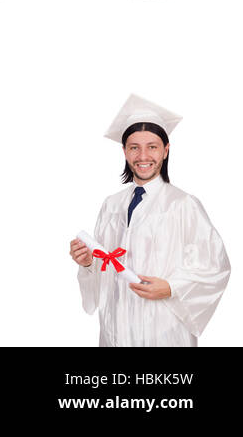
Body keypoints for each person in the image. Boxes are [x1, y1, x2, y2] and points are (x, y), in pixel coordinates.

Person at [69, 95, 230, 346]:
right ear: (125, 151)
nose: (143, 155)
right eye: (134, 147)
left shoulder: (183, 205)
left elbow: (215, 266)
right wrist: (88, 262)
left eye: (152, 146)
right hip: (115, 331)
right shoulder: (111, 205)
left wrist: (172, 287)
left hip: (164, 331)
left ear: (166, 150)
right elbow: (104, 271)